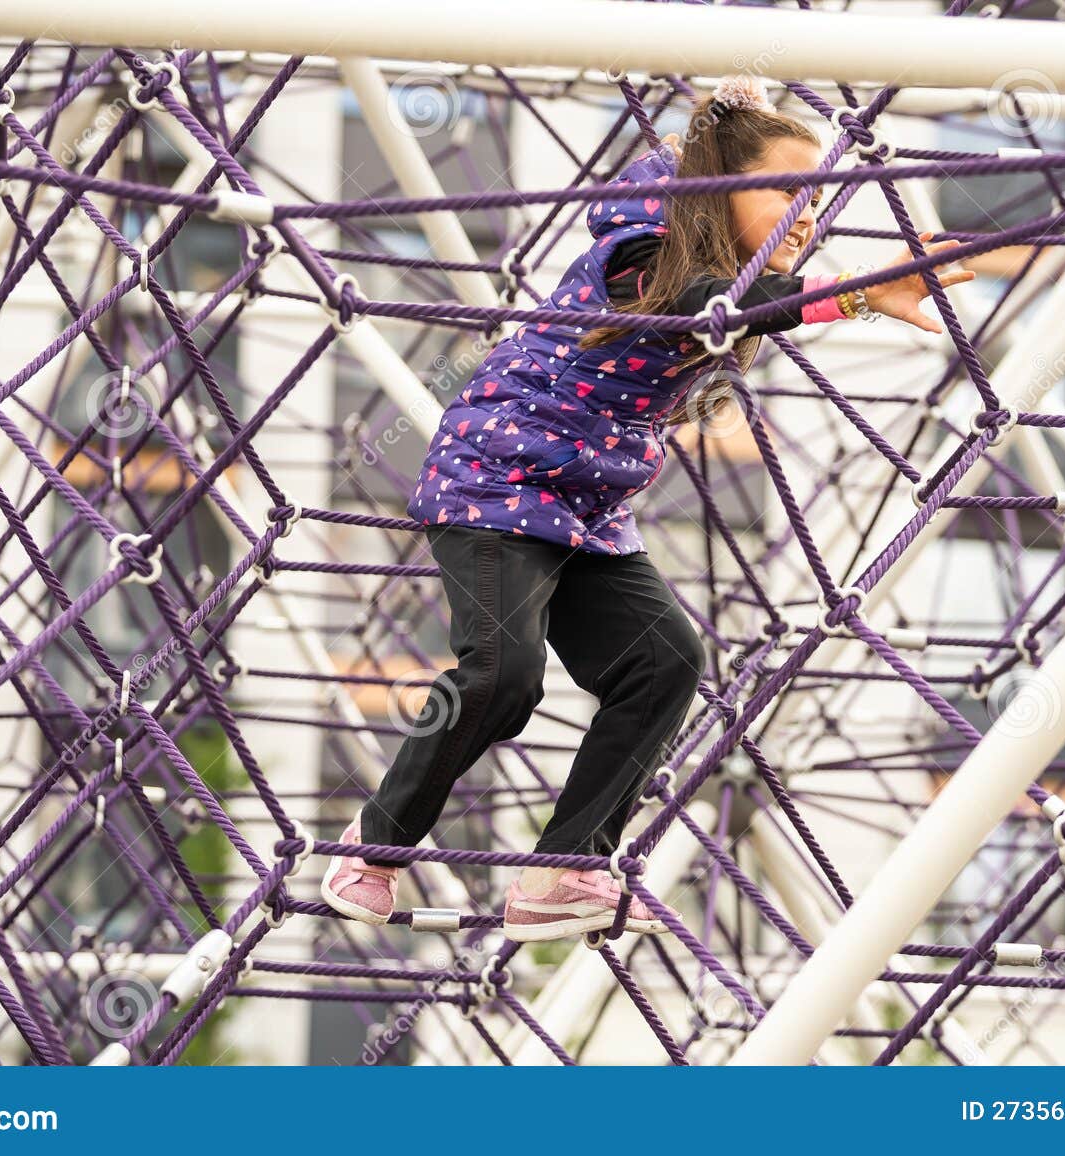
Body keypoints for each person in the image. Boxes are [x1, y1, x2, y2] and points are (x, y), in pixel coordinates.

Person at [322, 75, 975, 942]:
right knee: (502, 680)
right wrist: (851, 287)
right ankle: (375, 844)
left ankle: (561, 870)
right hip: (498, 483)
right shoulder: (641, 257)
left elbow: (736, 300)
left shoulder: (723, 285)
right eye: (786, 192)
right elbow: (711, 303)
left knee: (664, 661)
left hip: (589, 508)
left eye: (816, 198)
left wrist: (741, 112)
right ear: (709, 191)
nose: (806, 213)